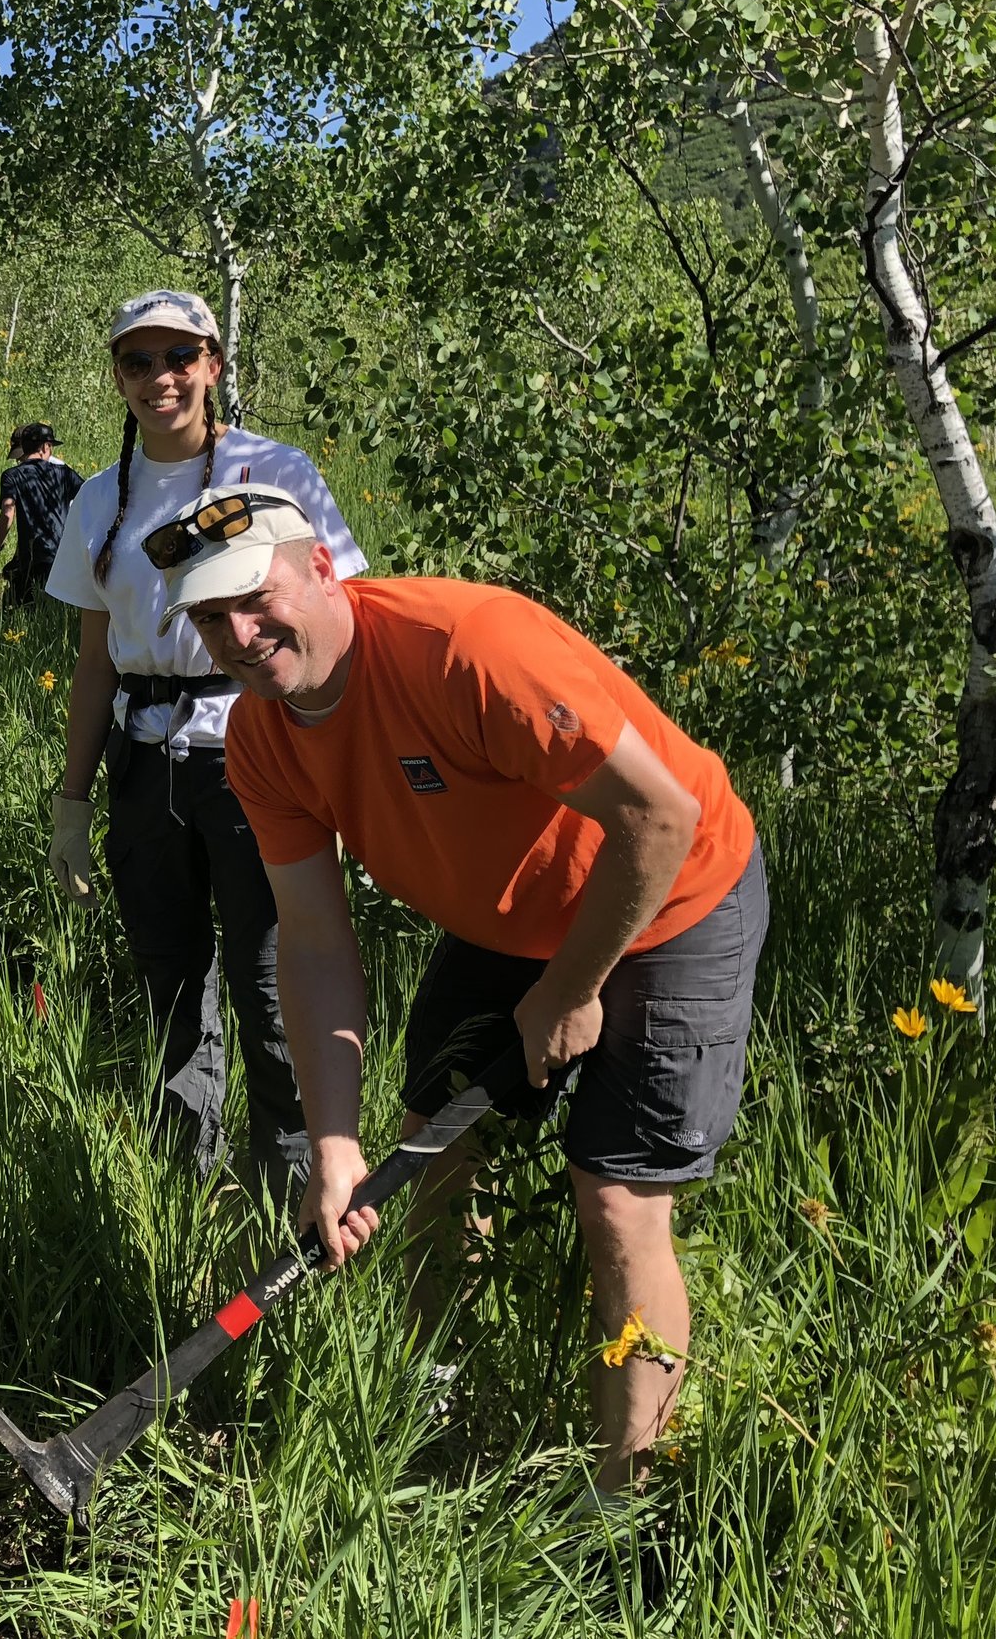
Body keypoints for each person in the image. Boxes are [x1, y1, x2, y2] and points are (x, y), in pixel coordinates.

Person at [164, 489, 765, 1497]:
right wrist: (333, 1145)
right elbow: (312, 944)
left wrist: (572, 989)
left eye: (253, 597)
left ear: (321, 569)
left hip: (671, 896)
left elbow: (657, 819)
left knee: (615, 1198)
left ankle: (620, 1507)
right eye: (208, 617)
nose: (238, 633)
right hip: (511, 916)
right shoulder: (262, 741)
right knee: (429, 1149)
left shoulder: (464, 650)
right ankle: (430, 1422)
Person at [45, 290, 366, 1198]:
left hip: (258, 745)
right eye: (139, 363)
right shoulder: (101, 499)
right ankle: (189, 1188)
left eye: (180, 358)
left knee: (272, 978)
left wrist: (344, 767)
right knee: (171, 979)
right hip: (145, 760)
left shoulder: (278, 472)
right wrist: (75, 799)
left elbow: (344, 619)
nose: (161, 379)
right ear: (118, 377)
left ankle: (295, 1194)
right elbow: (96, 662)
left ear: (214, 365)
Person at [0, 421, 83, 607]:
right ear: (46, 446)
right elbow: (89, 500)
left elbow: (7, 513)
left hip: (30, 560)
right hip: (62, 556)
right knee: (54, 611)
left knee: (21, 609)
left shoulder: (12, 475)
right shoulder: (64, 473)